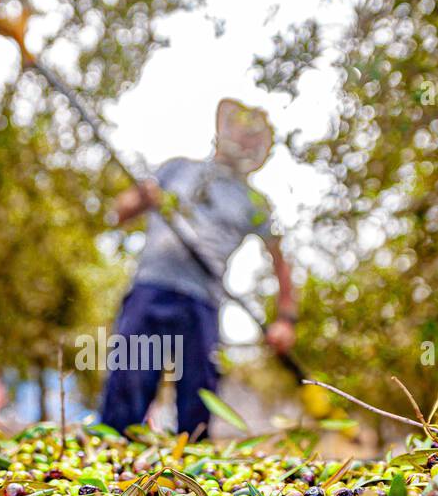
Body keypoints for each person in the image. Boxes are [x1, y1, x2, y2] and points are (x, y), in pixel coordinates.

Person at [99, 98, 298, 437]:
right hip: (150, 289)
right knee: (127, 385)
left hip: (202, 302)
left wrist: (285, 320)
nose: (246, 140)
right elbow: (117, 213)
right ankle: (106, 467)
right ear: (224, 129)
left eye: (257, 137)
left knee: (198, 399)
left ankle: (191, 480)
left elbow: (281, 263)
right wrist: (142, 198)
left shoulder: (255, 204)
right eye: (242, 129)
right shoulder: (177, 168)